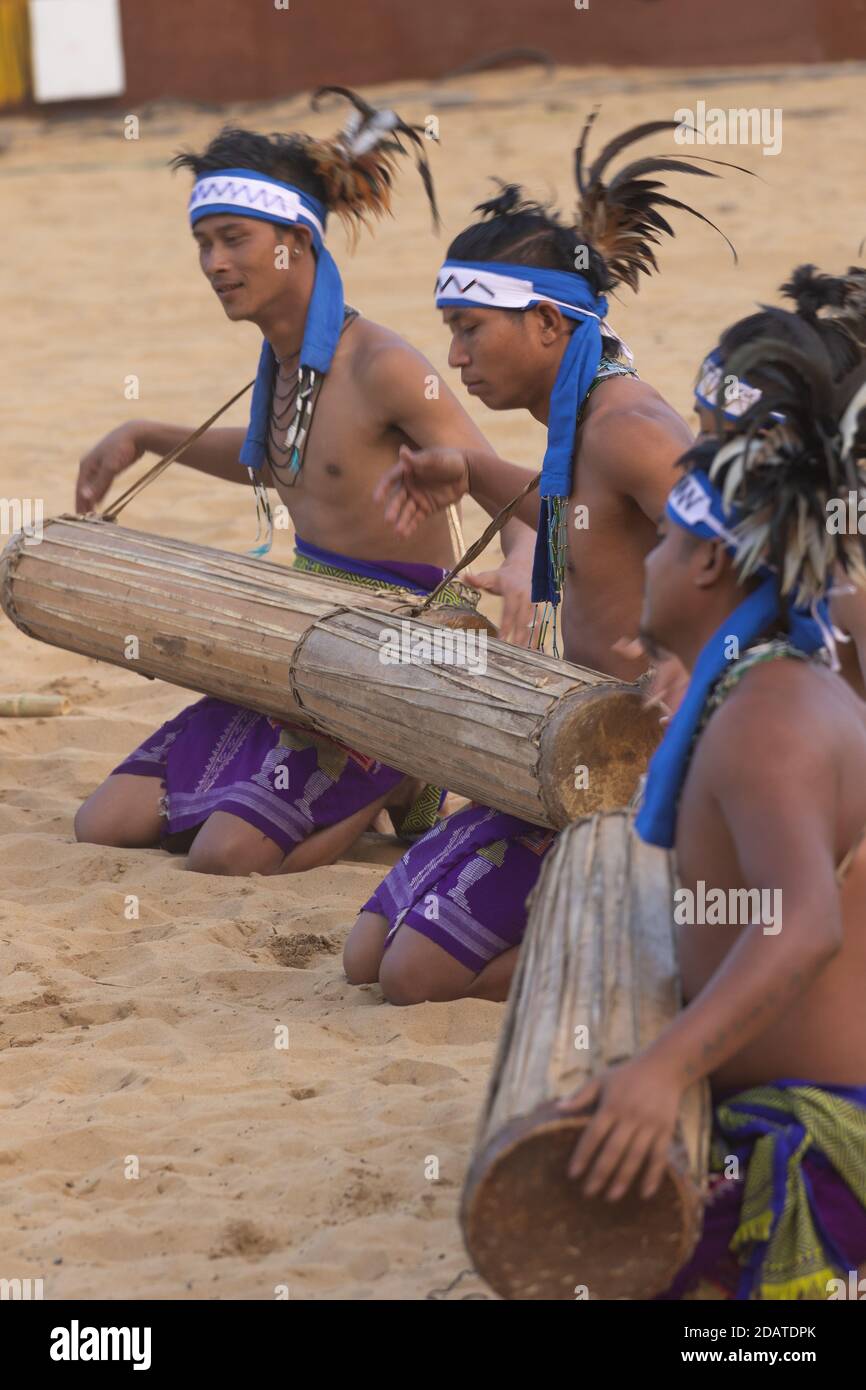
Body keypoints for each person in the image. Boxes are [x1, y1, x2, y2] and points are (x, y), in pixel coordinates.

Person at [73, 89, 537, 877]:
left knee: (225, 854)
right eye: (203, 243)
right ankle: (372, 776)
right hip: (306, 631)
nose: (215, 264)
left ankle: (406, 764)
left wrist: (525, 560)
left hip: (403, 647)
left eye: (233, 239)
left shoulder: (381, 364)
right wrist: (147, 436)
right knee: (105, 822)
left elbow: (505, 490)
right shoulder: (282, 361)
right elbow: (280, 458)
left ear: (296, 241)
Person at [345, 114, 740, 1004]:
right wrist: (473, 467)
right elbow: (578, 518)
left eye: (471, 328)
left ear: (549, 324)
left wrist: (687, 658)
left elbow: (740, 548)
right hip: (586, 742)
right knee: (368, 950)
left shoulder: (630, 427)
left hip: (649, 759)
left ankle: (675, 964)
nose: (454, 356)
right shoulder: (581, 417)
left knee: (413, 977)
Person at [559, 327, 866, 1300]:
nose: (640, 555)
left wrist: (659, 1069)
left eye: (663, 539)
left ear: (703, 570)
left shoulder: (765, 720)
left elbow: (804, 923)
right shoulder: (769, 685)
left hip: (812, 1128)